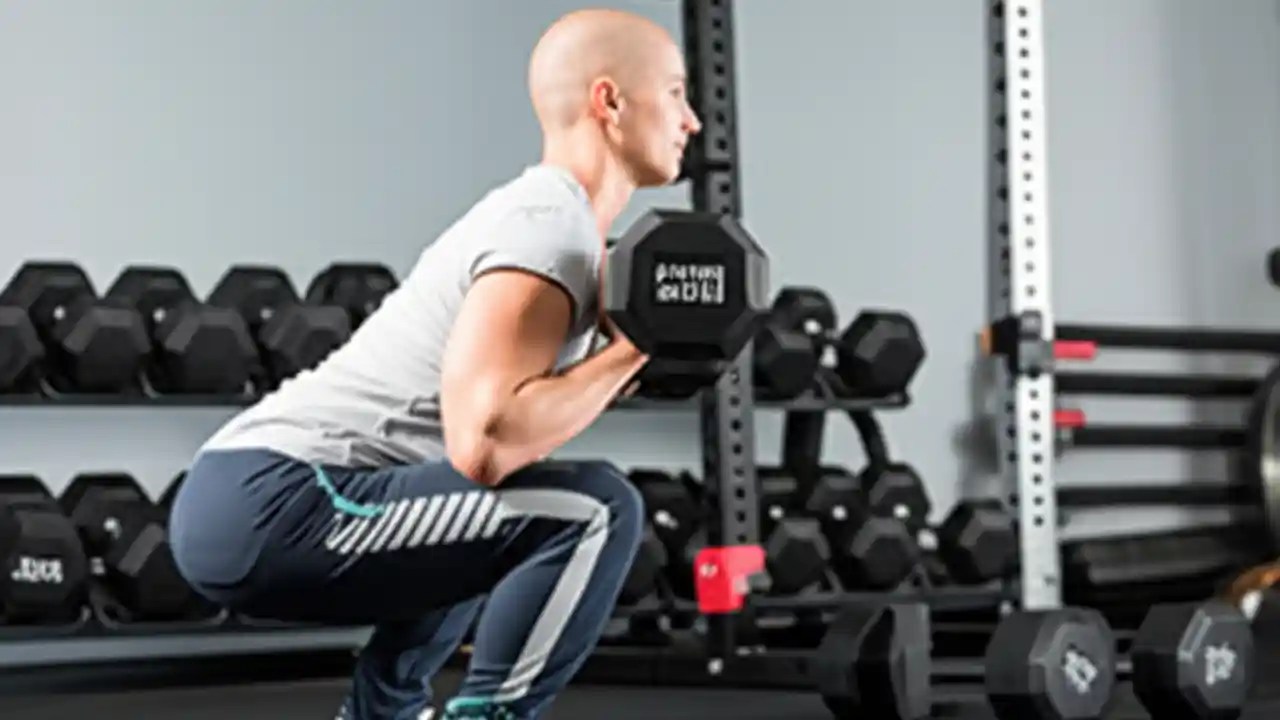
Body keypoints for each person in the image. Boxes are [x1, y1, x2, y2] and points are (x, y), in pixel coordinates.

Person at [168, 7, 702, 720]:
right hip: (276, 498)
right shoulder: (547, 228)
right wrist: (634, 352)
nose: (692, 120)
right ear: (609, 101)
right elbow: (484, 443)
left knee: (503, 513)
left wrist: (628, 346)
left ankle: (384, 713)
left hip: (255, 493)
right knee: (593, 509)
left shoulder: (558, 229)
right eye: (674, 92)